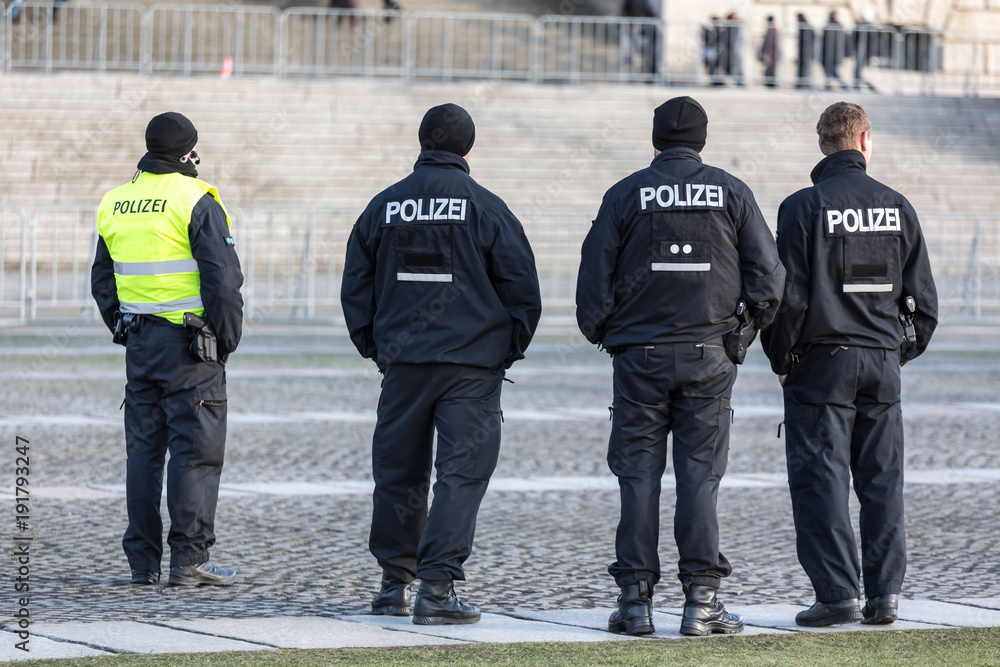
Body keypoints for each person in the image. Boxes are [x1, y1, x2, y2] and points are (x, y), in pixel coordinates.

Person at [576, 97, 785, 637]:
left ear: (655, 140)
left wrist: (604, 331)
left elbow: (593, 275)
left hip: (639, 356)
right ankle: (702, 601)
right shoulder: (731, 190)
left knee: (637, 477)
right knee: (699, 477)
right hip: (708, 355)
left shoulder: (625, 193)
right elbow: (769, 277)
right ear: (702, 140)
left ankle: (635, 601)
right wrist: (740, 336)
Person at [341, 103, 542, 625]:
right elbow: (523, 289)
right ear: (468, 149)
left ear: (422, 142)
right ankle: (437, 588)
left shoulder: (383, 205)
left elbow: (355, 287)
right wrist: (503, 351)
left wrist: (377, 348)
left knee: (398, 472)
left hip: (404, 362)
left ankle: (392, 585)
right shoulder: (487, 207)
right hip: (471, 366)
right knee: (461, 474)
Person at [761, 102, 938, 627]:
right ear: (864, 141)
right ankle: (885, 596)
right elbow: (924, 303)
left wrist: (782, 359)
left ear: (822, 144)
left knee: (822, 479)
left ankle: (837, 594)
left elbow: (786, 297)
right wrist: (898, 351)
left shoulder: (802, 207)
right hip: (882, 360)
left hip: (821, 361)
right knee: (882, 482)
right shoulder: (896, 205)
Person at [91, 112, 244, 587]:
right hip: (191, 348)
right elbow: (223, 283)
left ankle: (142, 564)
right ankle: (190, 561)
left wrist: (123, 327)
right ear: (188, 152)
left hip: (140, 345)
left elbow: (102, 279)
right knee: (195, 452)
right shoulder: (196, 198)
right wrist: (226, 342)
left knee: (143, 454)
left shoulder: (115, 201)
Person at [821, 11, 849, 90]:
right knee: (831, 72)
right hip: (835, 54)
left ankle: (843, 85)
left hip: (831, 54)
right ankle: (828, 86)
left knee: (833, 72)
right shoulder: (839, 26)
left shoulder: (830, 26)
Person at [852, 13, 878, 92]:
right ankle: (863, 86)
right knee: (858, 71)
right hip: (864, 52)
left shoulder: (863, 26)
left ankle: (865, 86)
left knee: (858, 71)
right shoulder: (868, 26)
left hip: (862, 52)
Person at [759, 15, 780, 88]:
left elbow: (770, 44)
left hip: (771, 55)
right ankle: (771, 85)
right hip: (772, 55)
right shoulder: (772, 30)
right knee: (770, 71)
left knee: (770, 72)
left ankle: (772, 85)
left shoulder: (771, 30)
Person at [796, 13, 815, 89]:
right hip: (804, 52)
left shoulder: (805, 26)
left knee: (805, 69)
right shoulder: (804, 26)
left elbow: (806, 41)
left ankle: (804, 85)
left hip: (806, 52)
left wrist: (804, 53)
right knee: (803, 69)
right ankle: (801, 85)